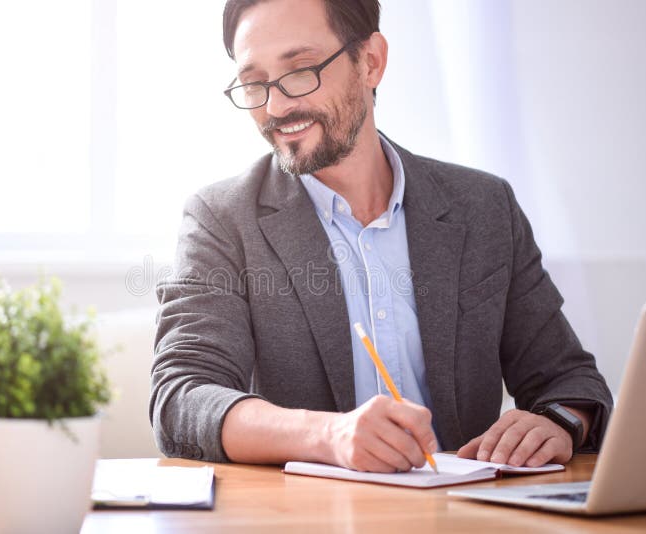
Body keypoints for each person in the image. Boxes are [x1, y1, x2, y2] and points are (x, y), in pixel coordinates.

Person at [149, 0, 613, 473]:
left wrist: (558, 421)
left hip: (465, 513)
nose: (276, 105)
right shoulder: (222, 219)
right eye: (254, 82)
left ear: (371, 61)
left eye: (301, 70)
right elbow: (181, 398)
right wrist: (327, 434)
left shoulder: (484, 208)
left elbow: (568, 378)